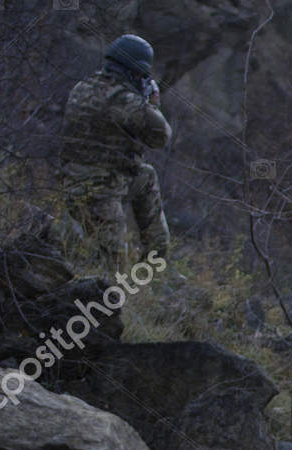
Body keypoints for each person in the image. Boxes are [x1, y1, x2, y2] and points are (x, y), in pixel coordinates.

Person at [60, 34, 171, 274]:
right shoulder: (125, 100)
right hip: (102, 193)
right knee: (115, 273)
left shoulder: (83, 86)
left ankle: (155, 259)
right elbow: (160, 137)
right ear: (134, 72)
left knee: (146, 175)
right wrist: (151, 104)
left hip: (73, 183)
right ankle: (152, 267)